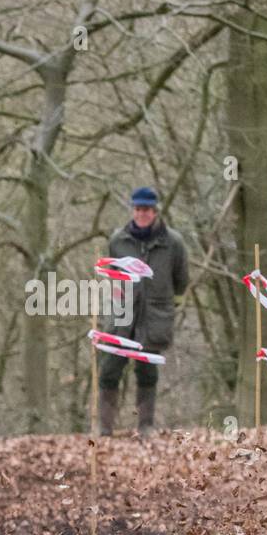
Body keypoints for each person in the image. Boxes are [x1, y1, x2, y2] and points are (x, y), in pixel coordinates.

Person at [100, 187, 188, 437]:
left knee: (147, 373)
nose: (142, 214)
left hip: (154, 318)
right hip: (122, 316)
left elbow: (181, 280)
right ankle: (105, 429)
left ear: (155, 211)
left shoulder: (174, 243)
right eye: (138, 209)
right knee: (109, 371)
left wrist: (167, 306)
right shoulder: (118, 240)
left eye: (147, 210)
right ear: (132, 210)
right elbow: (111, 275)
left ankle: (145, 427)